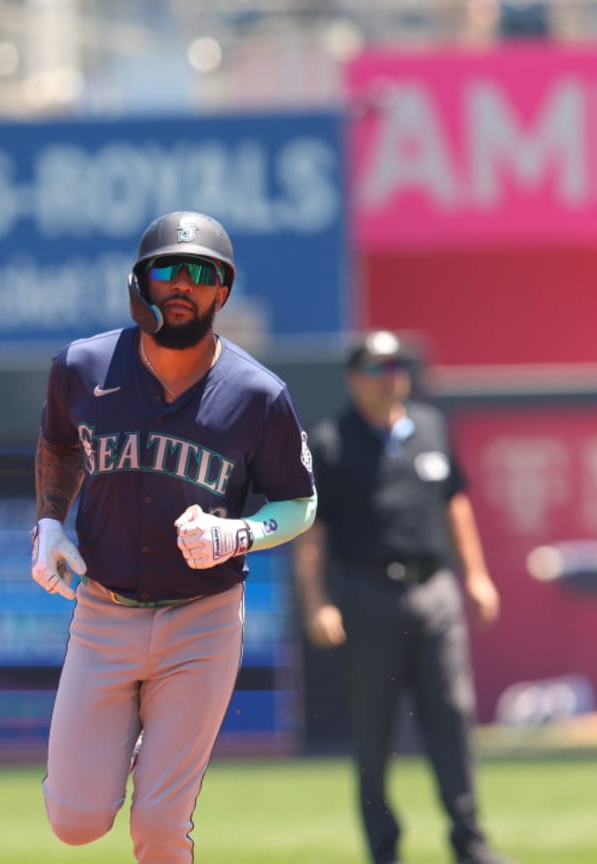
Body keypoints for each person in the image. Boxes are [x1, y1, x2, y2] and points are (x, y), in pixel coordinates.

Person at [31, 210, 318, 863]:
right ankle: (124, 744)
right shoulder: (82, 367)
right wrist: (50, 521)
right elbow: (58, 445)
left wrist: (239, 532)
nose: (184, 285)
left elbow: (300, 503)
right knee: (75, 822)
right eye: (169, 270)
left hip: (202, 621)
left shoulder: (257, 394)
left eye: (203, 274)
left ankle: (153, 751)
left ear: (223, 293)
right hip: (104, 611)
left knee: (160, 829)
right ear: (141, 282)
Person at [293, 329, 513, 864]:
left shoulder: (432, 429)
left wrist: (477, 576)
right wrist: (317, 602)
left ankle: (469, 841)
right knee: (373, 731)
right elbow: (312, 532)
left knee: (453, 719)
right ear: (353, 378)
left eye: (397, 366)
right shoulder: (331, 442)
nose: (389, 376)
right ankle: (384, 848)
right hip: (368, 595)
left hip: (435, 591)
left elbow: (454, 506)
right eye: (376, 367)